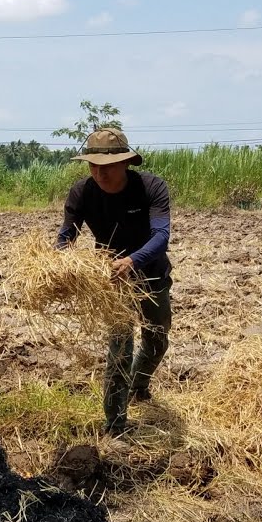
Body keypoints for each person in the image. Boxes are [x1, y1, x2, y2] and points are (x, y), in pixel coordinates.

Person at [55, 128, 172, 436]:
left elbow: (161, 235)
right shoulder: (82, 192)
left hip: (151, 273)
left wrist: (132, 260)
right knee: (120, 348)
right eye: (93, 166)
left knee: (157, 340)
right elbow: (66, 237)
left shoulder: (151, 188)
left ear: (125, 163)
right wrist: (59, 264)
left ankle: (140, 384)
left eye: (106, 167)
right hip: (111, 281)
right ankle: (116, 425)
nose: (99, 173)